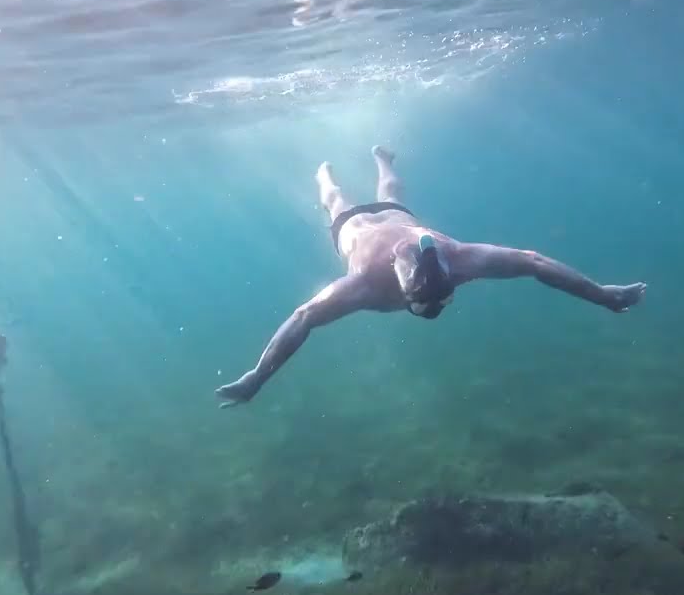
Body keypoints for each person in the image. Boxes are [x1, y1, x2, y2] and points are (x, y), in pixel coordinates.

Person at [215, 145, 647, 408]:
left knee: (334, 198)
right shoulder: (457, 259)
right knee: (393, 194)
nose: (420, 245)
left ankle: (321, 174)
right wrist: (601, 295)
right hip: (395, 216)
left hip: (353, 228)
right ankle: (382, 158)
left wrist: (257, 377)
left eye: (417, 255)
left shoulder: (366, 284)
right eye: (425, 252)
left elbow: (303, 316)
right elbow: (534, 262)